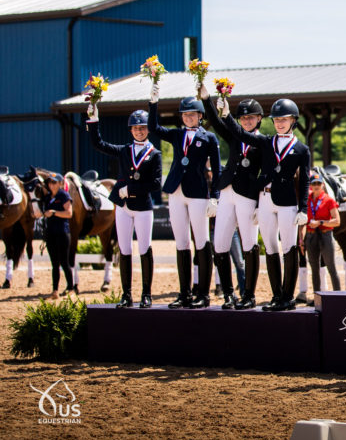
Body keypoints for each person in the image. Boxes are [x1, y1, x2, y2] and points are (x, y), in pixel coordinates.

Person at [219, 97, 311, 311]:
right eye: (276, 120)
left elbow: (305, 179)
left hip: (287, 202)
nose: (279, 124)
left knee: (289, 248)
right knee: (270, 248)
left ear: (293, 121)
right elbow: (241, 134)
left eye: (284, 120)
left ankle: (288, 297)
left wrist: (304, 208)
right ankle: (276, 295)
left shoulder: (301, 149)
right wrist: (226, 115)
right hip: (265, 199)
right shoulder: (267, 142)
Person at [148, 83, 221, 309]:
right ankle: (184, 292)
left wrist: (215, 196)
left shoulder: (209, 138)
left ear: (200, 116)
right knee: (181, 243)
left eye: (192, 114)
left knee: (201, 241)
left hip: (198, 193)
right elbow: (153, 127)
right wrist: (153, 103)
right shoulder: (177, 134)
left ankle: (204, 294)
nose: (188, 118)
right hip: (176, 192)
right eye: (185, 115)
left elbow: (217, 169)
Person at [87, 105, 162, 308]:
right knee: (125, 249)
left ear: (148, 129)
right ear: (130, 130)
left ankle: (146, 294)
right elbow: (98, 143)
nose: (139, 131)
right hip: (123, 207)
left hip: (143, 208)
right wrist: (93, 121)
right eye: (136, 128)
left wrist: (131, 189)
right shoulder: (124, 150)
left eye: (143, 128)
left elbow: (156, 184)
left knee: (145, 249)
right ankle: (126, 294)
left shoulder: (154, 153)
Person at [199, 89, 264, 309]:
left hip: (247, 195)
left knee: (249, 245)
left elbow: (264, 173)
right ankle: (228, 294)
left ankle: (249, 295)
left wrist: (258, 201)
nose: (246, 121)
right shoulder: (235, 137)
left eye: (250, 117)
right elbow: (217, 125)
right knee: (220, 245)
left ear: (259, 119)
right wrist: (207, 100)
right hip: (226, 191)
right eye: (243, 118)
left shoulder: (264, 142)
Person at [303, 171, 341, 297]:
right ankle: (316, 297)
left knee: (331, 267)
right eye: (314, 183)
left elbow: (337, 221)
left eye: (319, 183)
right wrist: (301, 240)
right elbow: (302, 222)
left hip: (325, 235)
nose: (316, 185)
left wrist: (320, 222)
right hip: (310, 235)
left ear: (323, 185)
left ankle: (338, 296)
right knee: (314, 270)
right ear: (310, 186)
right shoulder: (307, 200)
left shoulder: (329, 200)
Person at [41, 173, 74, 299]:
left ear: (60, 183)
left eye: (54, 182)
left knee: (64, 262)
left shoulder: (64, 195)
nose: (51, 185)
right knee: (54, 263)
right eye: (49, 183)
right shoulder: (48, 197)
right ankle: (55, 290)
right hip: (51, 233)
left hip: (62, 232)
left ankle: (71, 288)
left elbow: (69, 213)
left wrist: (54, 213)